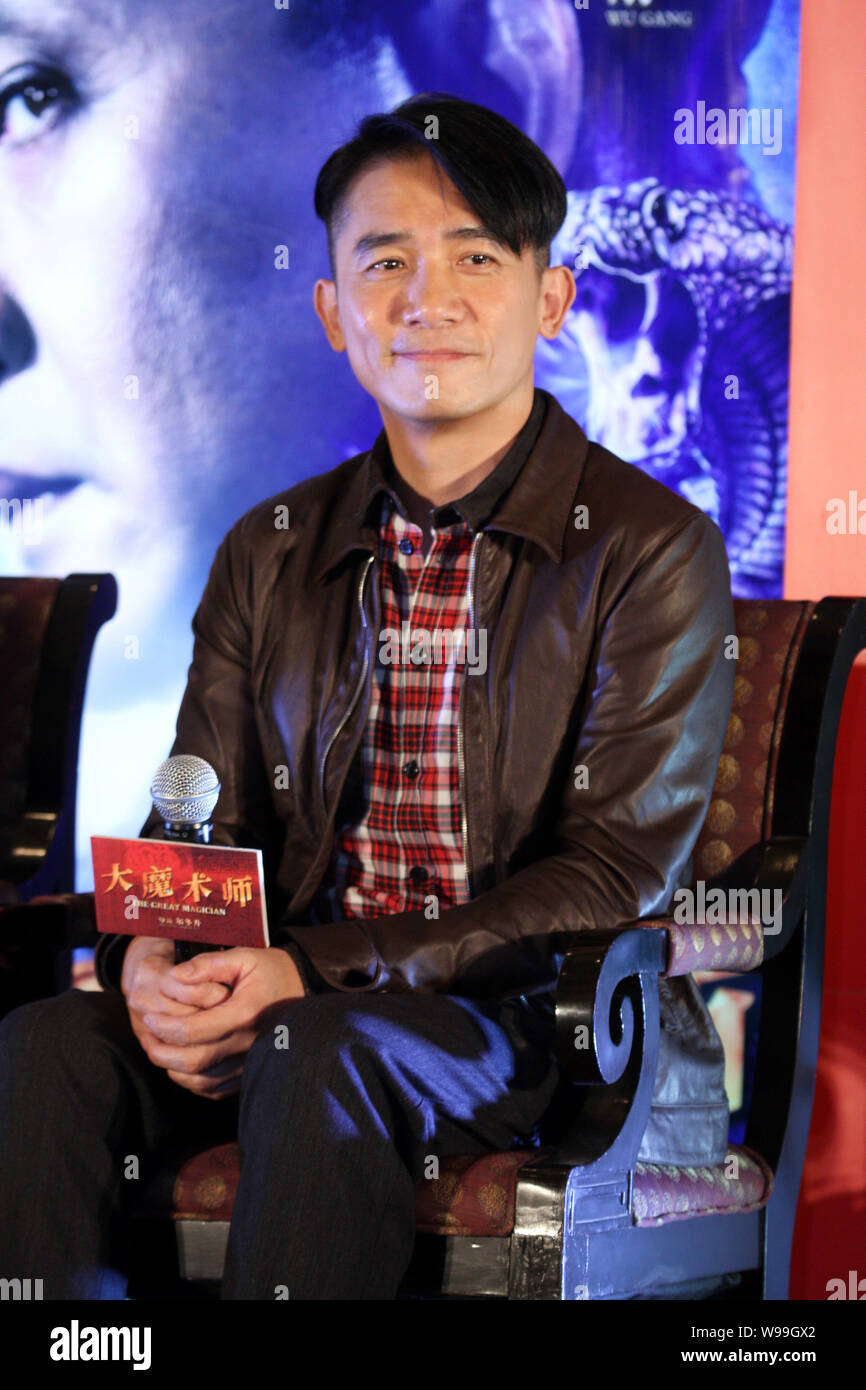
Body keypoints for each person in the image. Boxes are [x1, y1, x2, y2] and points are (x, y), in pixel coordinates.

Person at [0, 93, 735, 1300]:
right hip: (295, 1005)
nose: (424, 299)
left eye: (473, 258)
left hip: (523, 1027)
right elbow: (200, 817)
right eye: (382, 261)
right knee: (50, 1042)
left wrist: (316, 970)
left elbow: (610, 874)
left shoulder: (648, 548)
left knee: (313, 1041)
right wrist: (148, 955)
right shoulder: (271, 546)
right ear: (333, 311)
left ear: (548, 300)